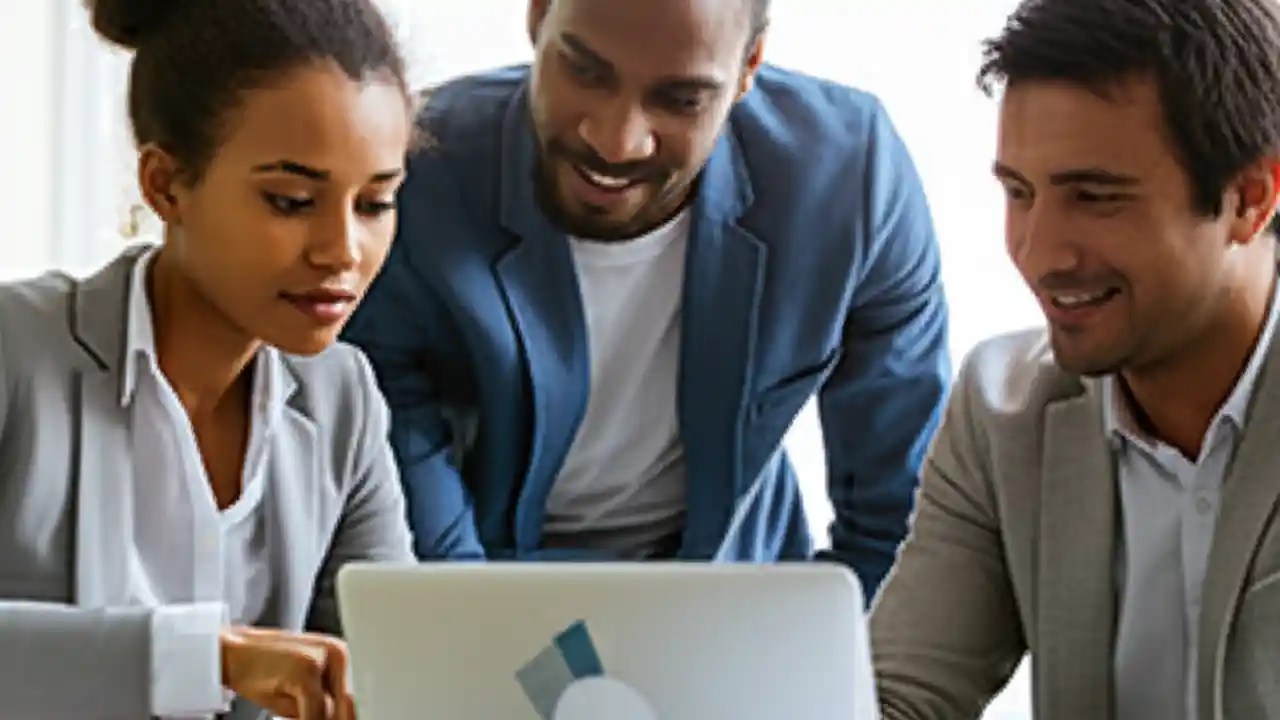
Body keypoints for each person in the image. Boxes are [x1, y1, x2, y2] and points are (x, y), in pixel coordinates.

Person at [341, 0, 949, 599]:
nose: (617, 142)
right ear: (538, 15)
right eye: (585, 71)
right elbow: (410, 519)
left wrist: (835, 672)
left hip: (731, 605)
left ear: (748, 68)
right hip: (480, 584)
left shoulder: (849, 179)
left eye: (681, 100)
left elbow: (900, 527)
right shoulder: (412, 172)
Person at [0, 0, 418, 717]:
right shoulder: (16, 349)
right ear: (166, 186)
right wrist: (201, 659)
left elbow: (397, 658)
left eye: (375, 204)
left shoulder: (342, 397)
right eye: (290, 200)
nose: (342, 250)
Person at [870, 1, 1280, 718]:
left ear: (1250, 199)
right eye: (1019, 194)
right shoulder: (1003, 412)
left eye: (1094, 197)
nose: (1039, 252)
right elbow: (900, 701)